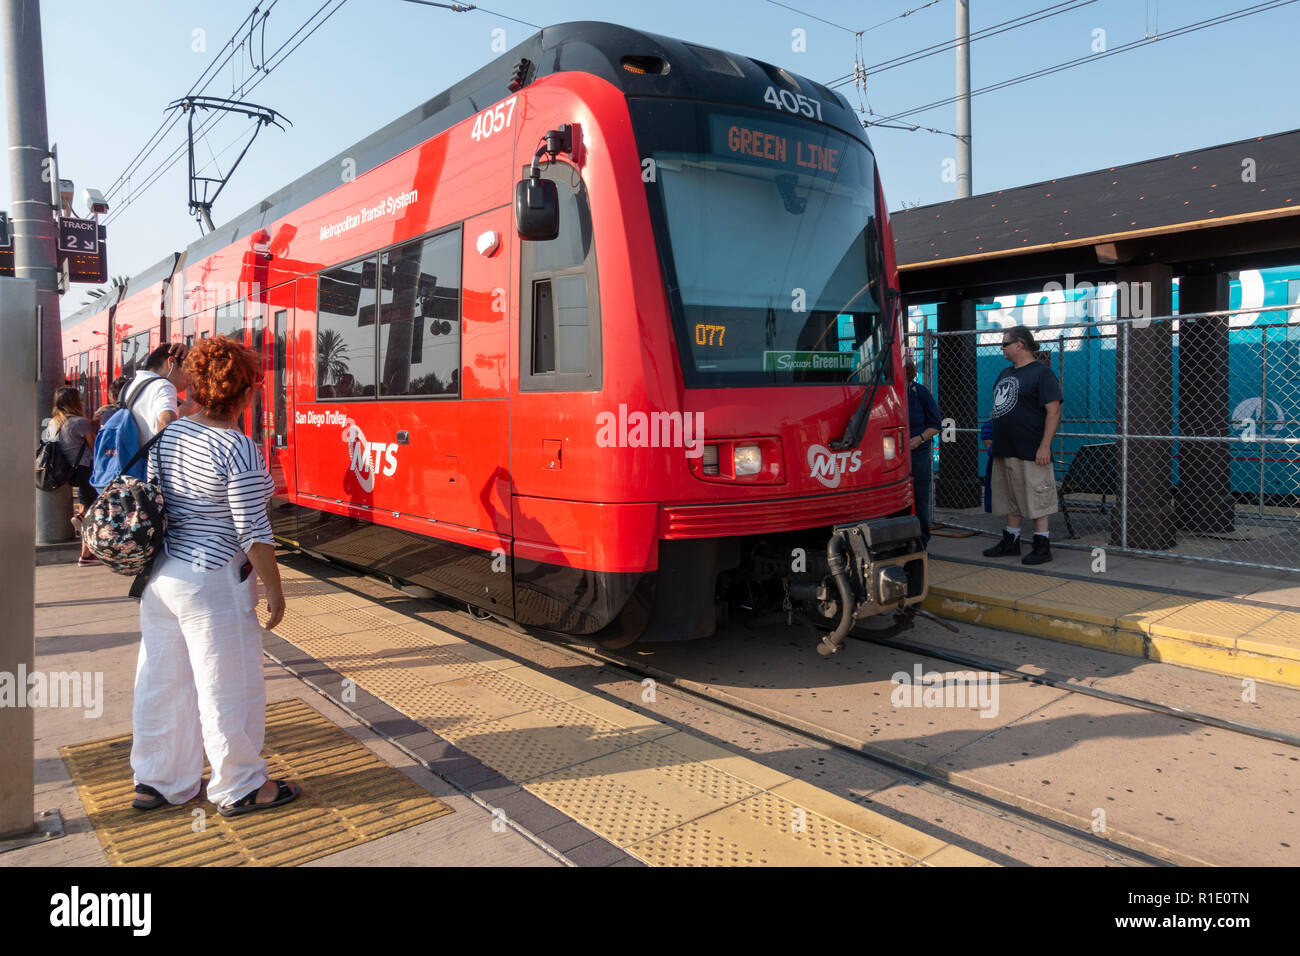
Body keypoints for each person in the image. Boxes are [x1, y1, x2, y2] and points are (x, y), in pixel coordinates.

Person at [130, 336, 299, 817]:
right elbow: (253, 529)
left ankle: (159, 782)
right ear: (245, 394)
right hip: (213, 581)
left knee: (163, 682)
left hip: (161, 577)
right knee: (227, 685)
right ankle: (242, 785)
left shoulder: (170, 436)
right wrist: (275, 587)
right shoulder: (238, 447)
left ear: (197, 388)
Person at [983, 326, 1063, 564]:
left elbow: (1053, 410)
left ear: (1020, 344)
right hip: (1004, 448)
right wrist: (989, 433)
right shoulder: (1005, 372)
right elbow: (997, 407)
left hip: (1031, 450)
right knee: (1010, 496)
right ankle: (1011, 541)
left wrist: (1045, 446)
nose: (1002, 348)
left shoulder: (1042, 373)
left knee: (1039, 496)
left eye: (1005, 343)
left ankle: (1042, 545)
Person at [43, 387, 99, 566]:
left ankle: (87, 554)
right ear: (74, 402)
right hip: (86, 469)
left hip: (68, 471)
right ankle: (86, 553)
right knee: (90, 511)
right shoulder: (81, 422)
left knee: (88, 507)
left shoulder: (52, 423)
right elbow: (94, 447)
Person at [905, 357, 942, 547]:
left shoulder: (920, 393)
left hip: (917, 453)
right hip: (892, 455)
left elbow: (936, 425)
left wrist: (919, 439)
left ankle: (921, 541)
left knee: (919, 497)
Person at [120, 343, 189, 442]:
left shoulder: (130, 385)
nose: (190, 379)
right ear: (171, 362)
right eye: (188, 370)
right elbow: (167, 423)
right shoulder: (164, 385)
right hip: (149, 457)